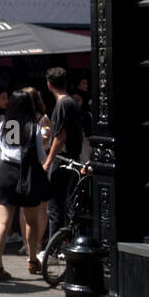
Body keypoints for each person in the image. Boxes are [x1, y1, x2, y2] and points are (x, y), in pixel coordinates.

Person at [0, 89, 50, 278]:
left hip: (7, 172)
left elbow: (1, 153)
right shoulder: (34, 128)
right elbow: (41, 156)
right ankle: (32, 260)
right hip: (28, 174)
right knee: (32, 221)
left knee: (3, 222)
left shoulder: (3, 125)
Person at [42, 66, 84, 264]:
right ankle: (64, 245)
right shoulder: (73, 102)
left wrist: (48, 161)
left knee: (55, 207)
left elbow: (60, 137)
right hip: (73, 160)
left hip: (63, 161)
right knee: (66, 206)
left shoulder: (61, 105)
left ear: (49, 84)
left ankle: (52, 252)